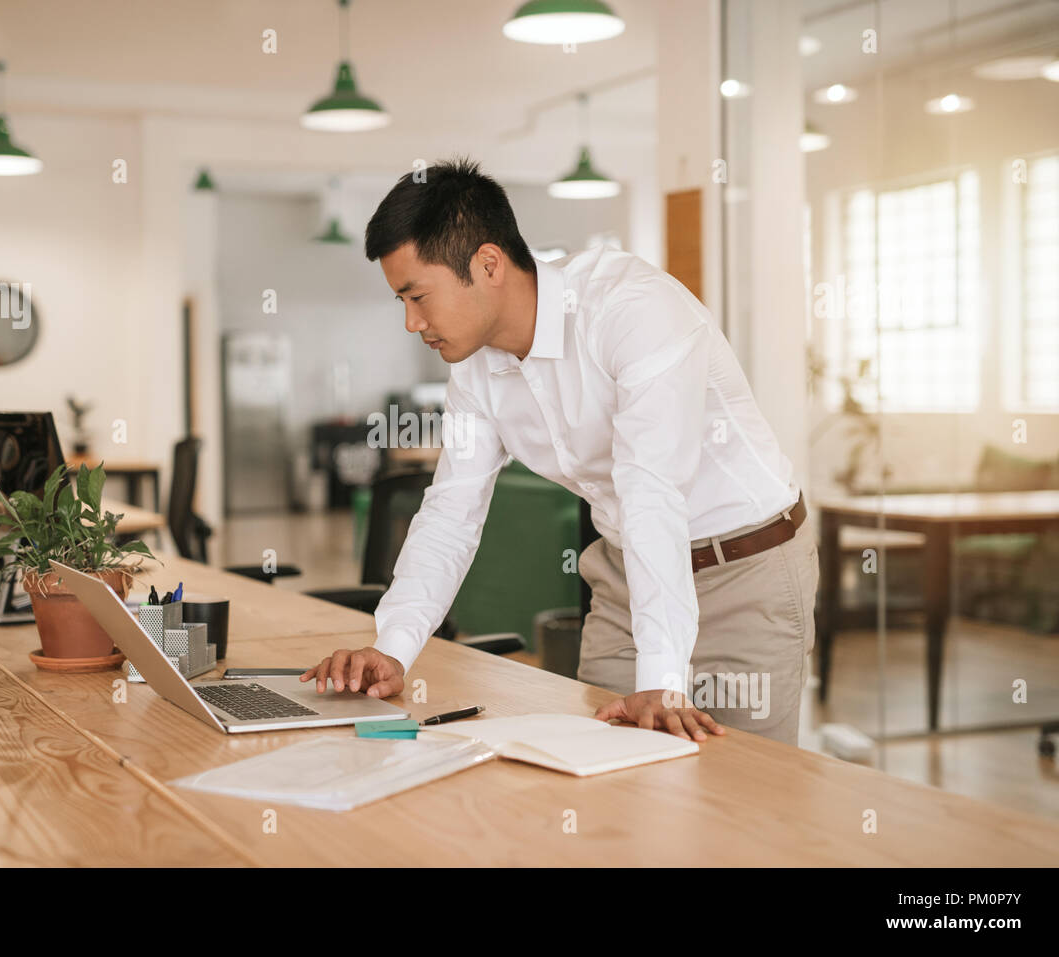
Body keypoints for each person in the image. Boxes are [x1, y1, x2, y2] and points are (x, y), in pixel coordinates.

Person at [300, 157, 819, 746]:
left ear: (488, 263)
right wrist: (392, 648)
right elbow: (451, 512)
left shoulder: (632, 310)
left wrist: (662, 679)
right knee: (611, 786)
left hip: (746, 572)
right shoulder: (475, 371)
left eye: (417, 296)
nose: (412, 322)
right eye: (401, 302)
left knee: (748, 800)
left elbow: (652, 491)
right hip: (626, 581)